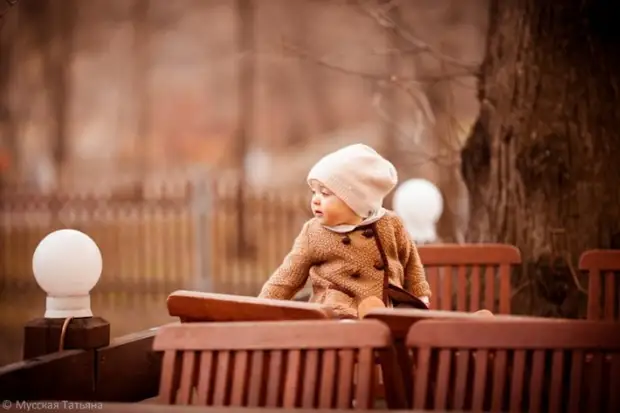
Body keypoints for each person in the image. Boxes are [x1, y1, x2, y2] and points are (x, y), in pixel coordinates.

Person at [258, 143, 431, 319]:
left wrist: (420, 294)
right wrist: (260, 308)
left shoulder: (390, 224)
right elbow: (288, 276)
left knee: (404, 329)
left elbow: (410, 262)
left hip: (384, 311)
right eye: (314, 192)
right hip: (335, 312)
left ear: (356, 201)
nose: (316, 200)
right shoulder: (314, 232)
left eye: (325, 193)